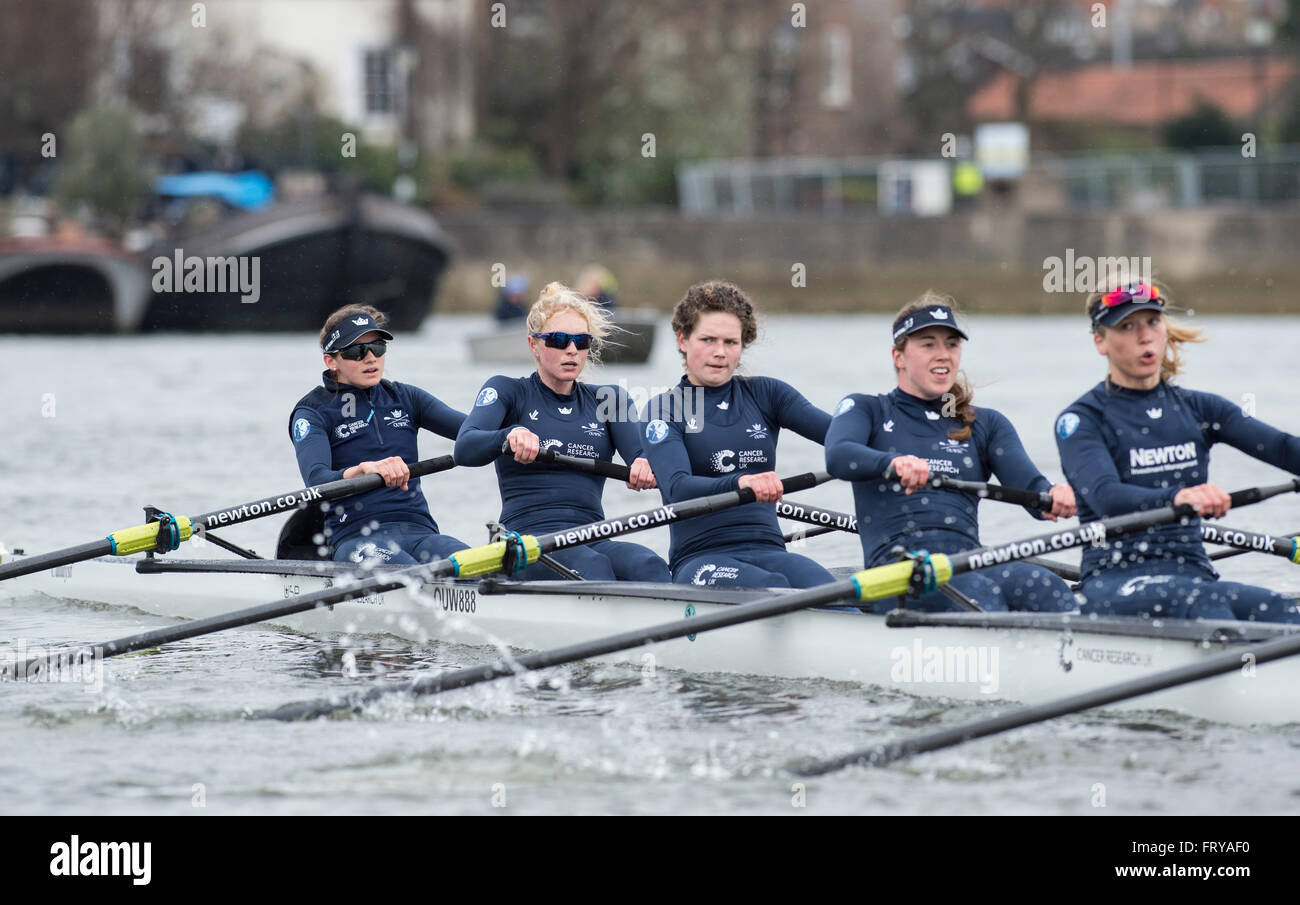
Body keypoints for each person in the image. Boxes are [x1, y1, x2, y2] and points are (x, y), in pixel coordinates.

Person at [1056, 282, 1300, 623]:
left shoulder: (1201, 409)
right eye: (1127, 326)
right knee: (1206, 604)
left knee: (1280, 609)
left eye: (1153, 323)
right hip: (1116, 580)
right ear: (1100, 341)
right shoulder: (1081, 420)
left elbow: (1284, 448)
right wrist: (1180, 497)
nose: (1144, 336)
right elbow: (1105, 497)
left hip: (1194, 574)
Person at [825, 291, 1078, 614]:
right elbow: (838, 456)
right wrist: (892, 462)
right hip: (899, 570)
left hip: (969, 561)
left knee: (1048, 588)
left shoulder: (986, 424)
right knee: (979, 595)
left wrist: (1053, 494)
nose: (943, 354)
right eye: (928, 344)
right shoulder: (867, 409)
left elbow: (1030, 489)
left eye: (952, 345)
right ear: (898, 356)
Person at [455, 282, 669, 581]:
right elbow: (464, 448)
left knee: (649, 565)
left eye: (581, 342)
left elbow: (642, 456)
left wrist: (647, 463)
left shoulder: (609, 399)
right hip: (529, 543)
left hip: (593, 536)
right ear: (534, 345)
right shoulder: (507, 390)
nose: (571, 350)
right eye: (558, 340)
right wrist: (508, 435)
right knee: (593, 566)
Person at [641, 280, 835, 588]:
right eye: (708, 340)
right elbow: (677, 488)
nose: (720, 352)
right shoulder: (664, 409)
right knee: (773, 587)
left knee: (840, 596)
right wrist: (741, 482)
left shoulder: (768, 394)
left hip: (770, 550)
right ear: (682, 340)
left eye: (730, 342)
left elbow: (839, 437)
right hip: (700, 560)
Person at [289, 305, 468, 565]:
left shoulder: (406, 398)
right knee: (411, 572)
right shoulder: (312, 412)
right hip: (356, 538)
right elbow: (316, 481)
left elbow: (474, 433)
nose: (371, 358)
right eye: (357, 351)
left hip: (421, 532)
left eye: (378, 347)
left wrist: (515, 433)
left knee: (481, 567)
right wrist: (363, 470)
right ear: (331, 361)